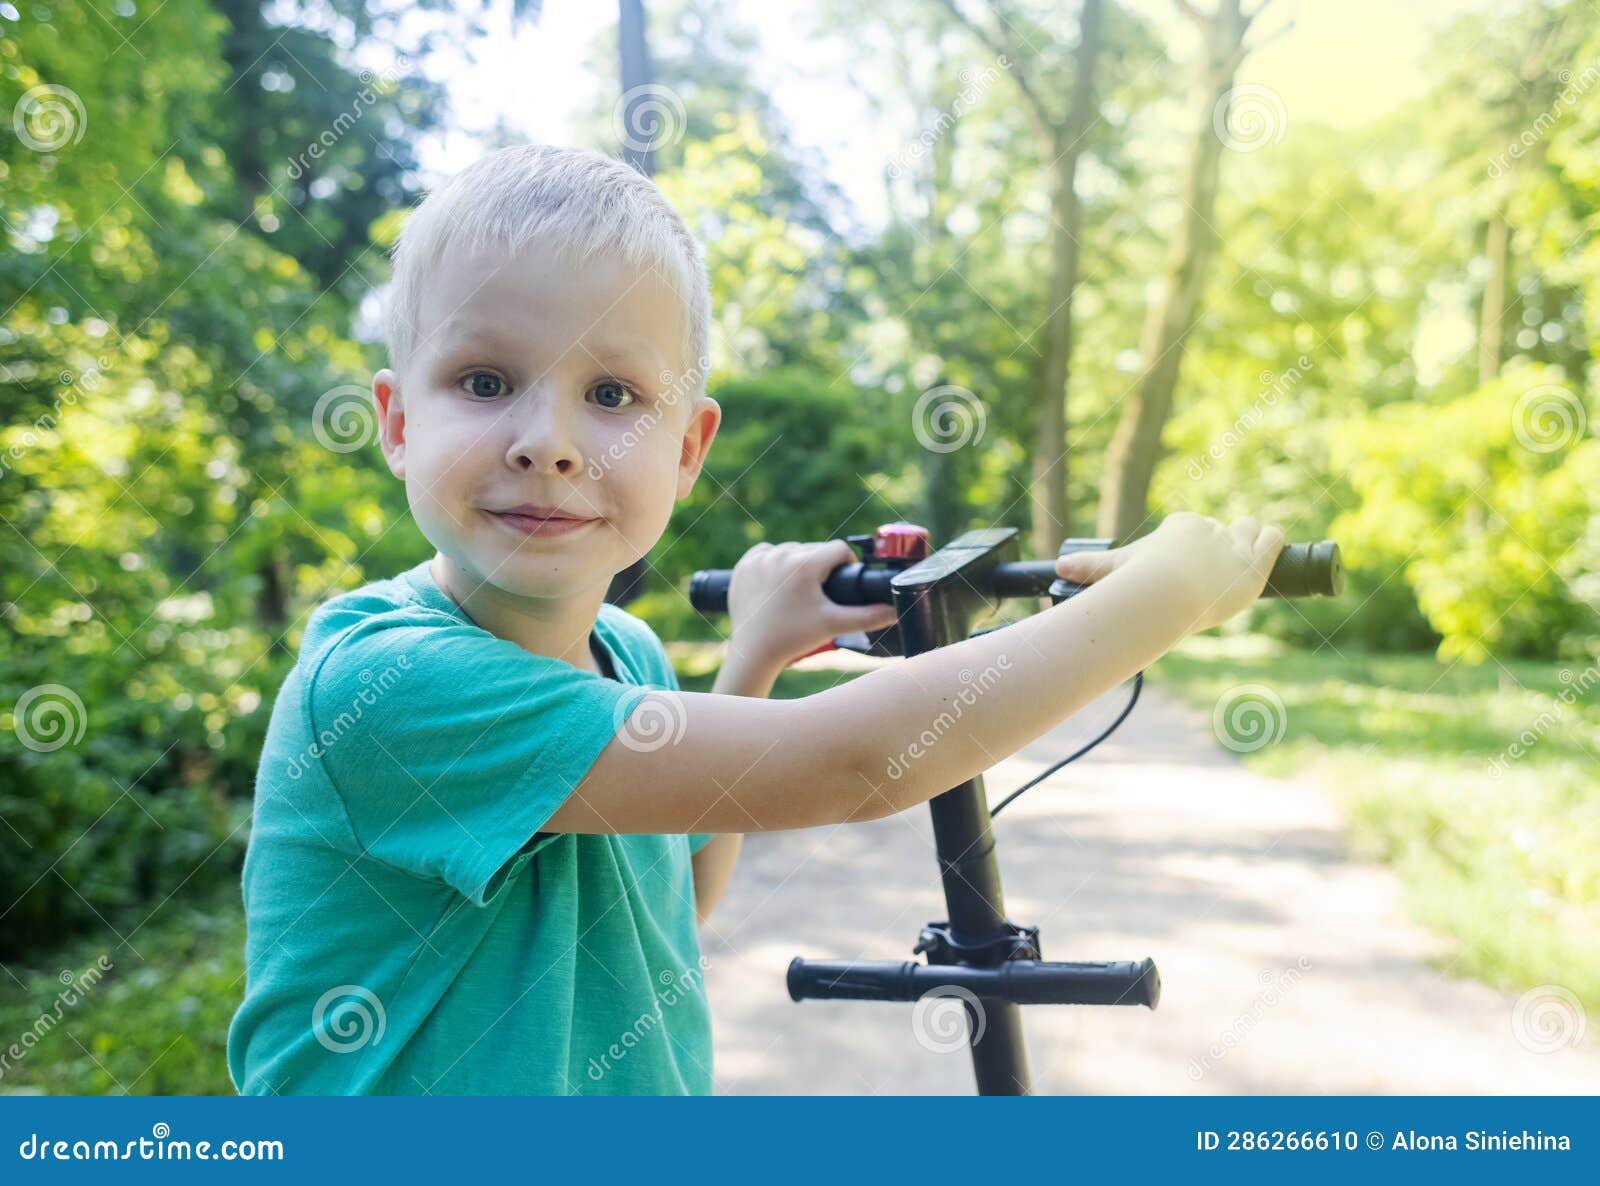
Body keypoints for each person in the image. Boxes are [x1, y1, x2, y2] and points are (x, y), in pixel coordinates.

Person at [226, 143, 1284, 1096]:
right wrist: (1165, 596)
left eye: (612, 396)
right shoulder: (389, 684)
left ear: (689, 449)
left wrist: (757, 655)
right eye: (486, 380)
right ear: (397, 422)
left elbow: (677, 903)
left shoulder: (627, 652)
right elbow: (854, 762)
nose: (548, 441)